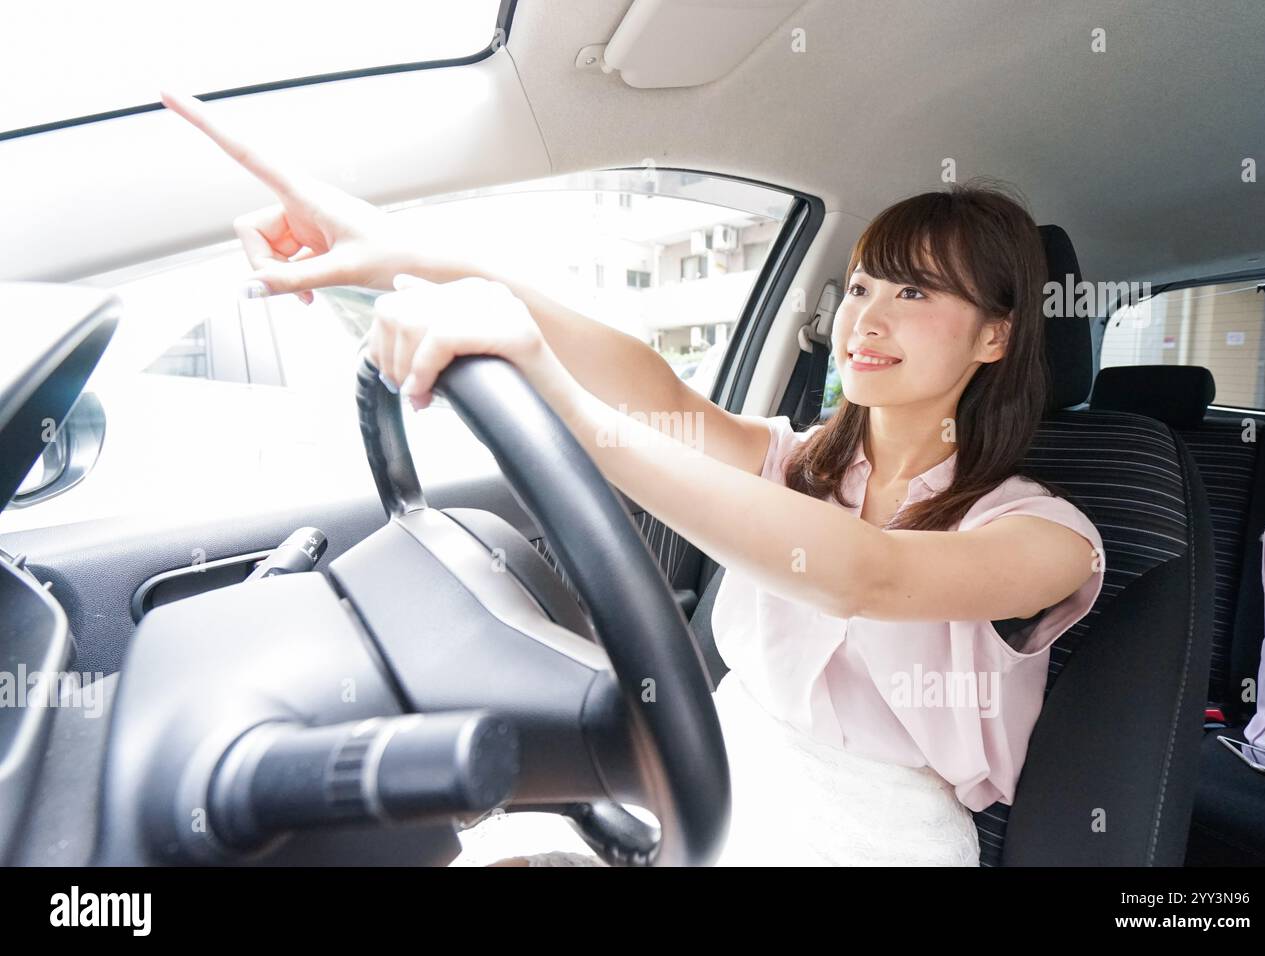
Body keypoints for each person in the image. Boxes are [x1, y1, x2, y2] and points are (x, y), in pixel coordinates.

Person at [161, 90, 1105, 867]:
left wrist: (571, 414)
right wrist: (403, 251)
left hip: (875, 833)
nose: (867, 316)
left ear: (996, 336)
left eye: (915, 292)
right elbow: (655, 388)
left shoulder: (1046, 538)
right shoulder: (797, 463)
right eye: (860, 285)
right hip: (710, 760)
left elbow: (869, 575)